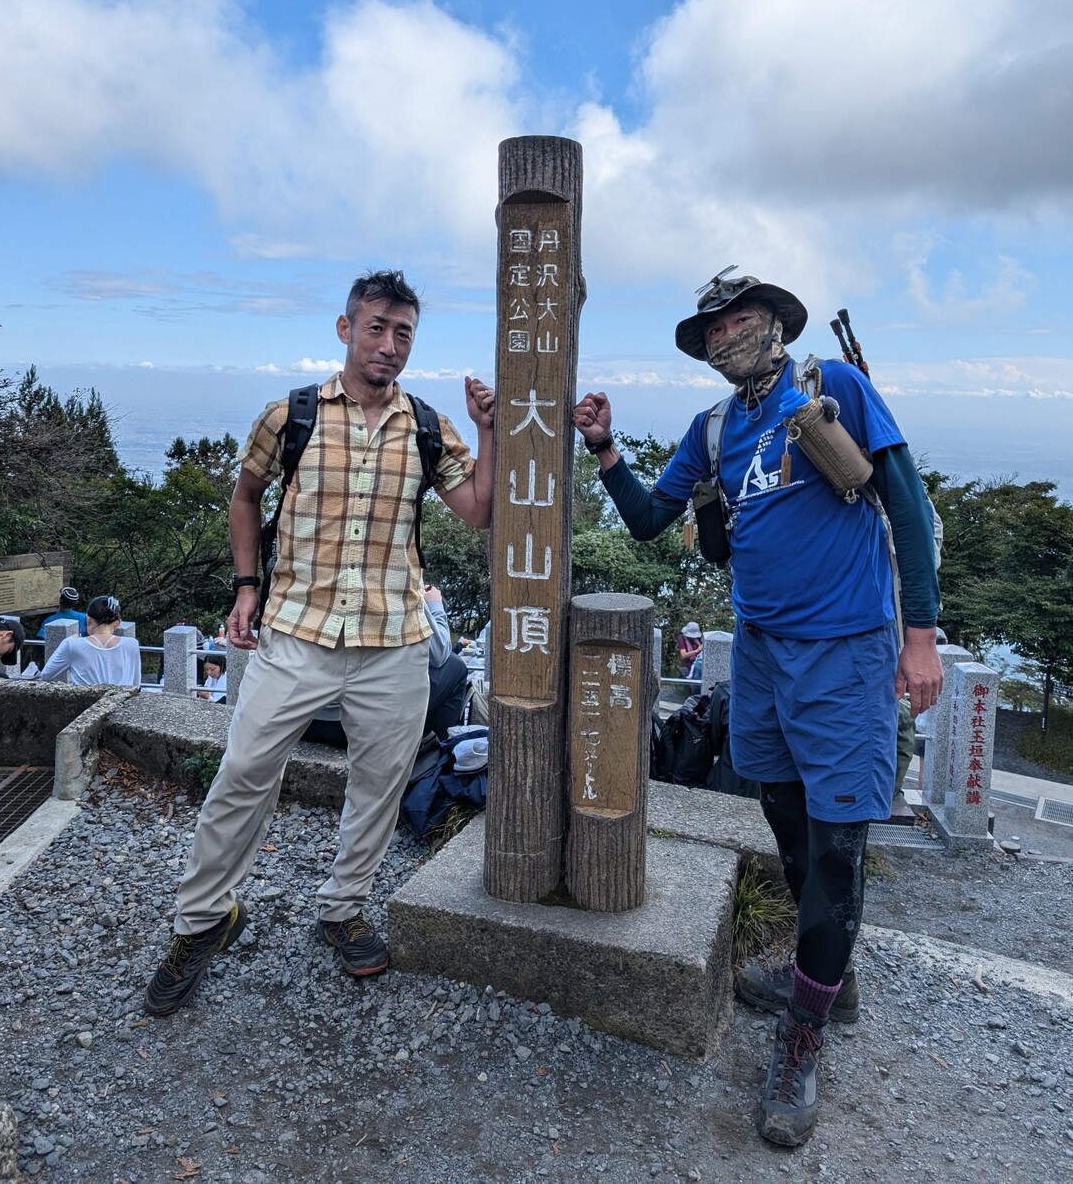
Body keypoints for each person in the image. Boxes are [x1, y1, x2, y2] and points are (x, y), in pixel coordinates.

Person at [573, 268, 942, 1149]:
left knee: (838, 842)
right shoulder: (715, 428)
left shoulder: (832, 387)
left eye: (738, 317)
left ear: (774, 322)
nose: (724, 333)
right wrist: (604, 449)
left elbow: (907, 504)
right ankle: (829, 979)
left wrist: (919, 635)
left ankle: (803, 1036)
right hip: (762, 654)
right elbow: (650, 523)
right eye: (711, 328)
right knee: (781, 813)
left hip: (848, 648)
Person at [144, 269, 494, 1017]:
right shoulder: (292, 413)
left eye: (402, 332)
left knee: (378, 785)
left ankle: (342, 908)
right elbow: (244, 495)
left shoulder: (429, 426)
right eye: (376, 327)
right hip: (297, 627)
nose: (388, 344)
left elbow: (478, 512)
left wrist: (489, 431)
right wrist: (246, 588)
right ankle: (204, 919)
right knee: (243, 770)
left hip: (393, 635)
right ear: (345, 329)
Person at [301, 585, 467, 748]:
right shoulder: (395, 578)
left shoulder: (316, 576)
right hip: (359, 726)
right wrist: (435, 605)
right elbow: (439, 652)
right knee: (455, 666)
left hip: (305, 720)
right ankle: (431, 757)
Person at [40, 595, 142, 687]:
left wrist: (68, 640)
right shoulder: (132, 644)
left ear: (89, 620)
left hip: (86, 704)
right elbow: (136, 684)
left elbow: (46, 675)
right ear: (117, 623)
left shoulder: (73, 644)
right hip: (121, 704)